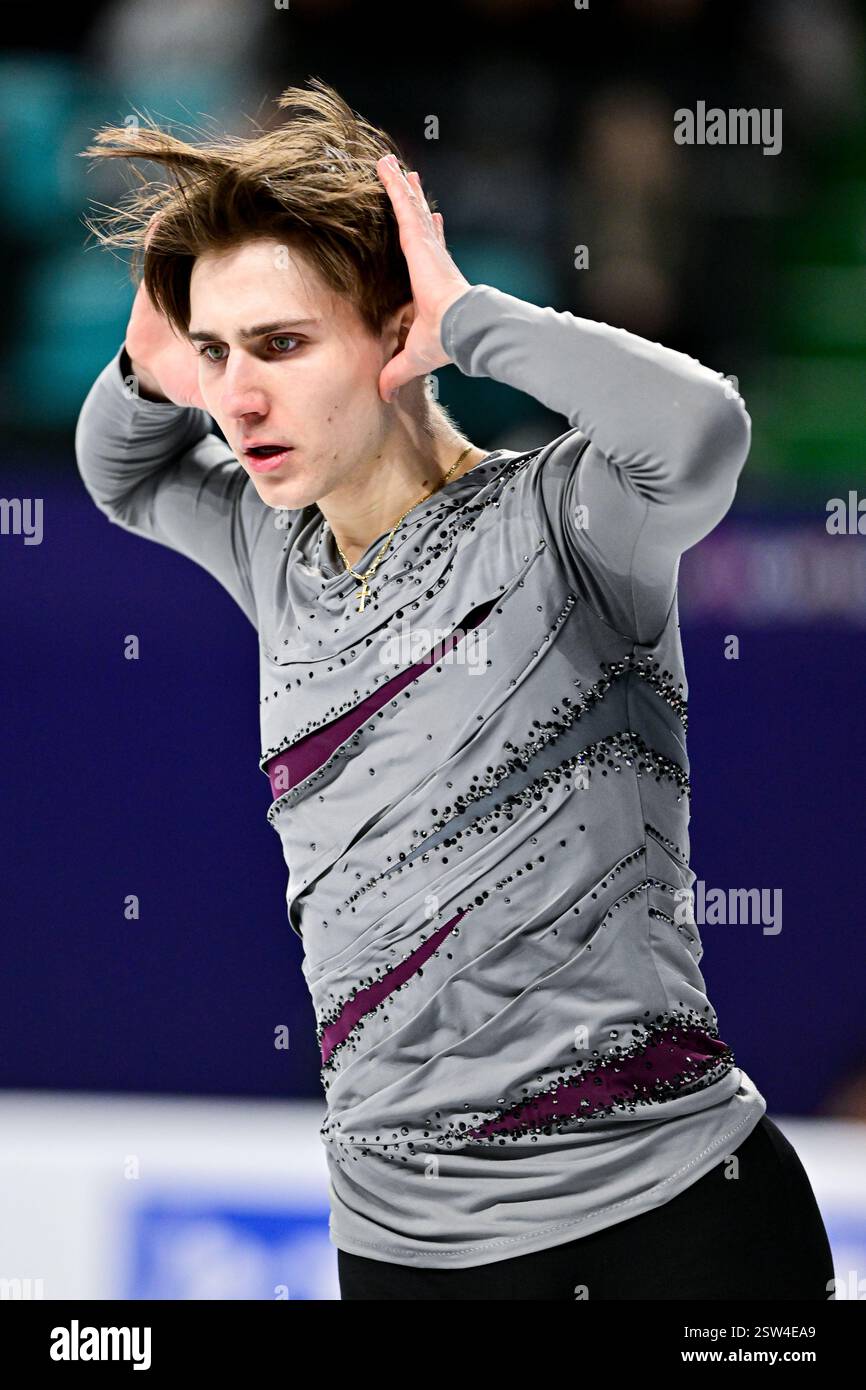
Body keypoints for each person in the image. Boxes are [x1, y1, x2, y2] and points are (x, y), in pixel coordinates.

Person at [75, 79, 834, 1300]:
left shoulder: (565, 517)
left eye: (279, 345)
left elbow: (698, 430)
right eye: (215, 357)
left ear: (393, 333)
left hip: (671, 1227)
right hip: (401, 1250)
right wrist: (143, 364)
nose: (237, 397)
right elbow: (117, 474)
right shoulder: (273, 548)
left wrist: (473, 318)